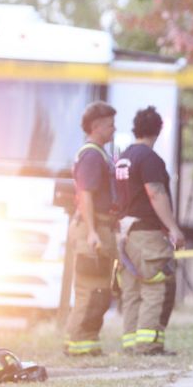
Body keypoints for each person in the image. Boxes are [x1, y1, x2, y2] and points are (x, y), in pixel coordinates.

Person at [114, 106, 186, 356]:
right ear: (158, 130)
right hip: (147, 233)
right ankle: (148, 344)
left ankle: (131, 343)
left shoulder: (123, 157)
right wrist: (173, 228)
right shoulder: (149, 158)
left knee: (132, 290)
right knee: (155, 287)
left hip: (125, 234)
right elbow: (155, 193)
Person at [65, 101, 119, 356]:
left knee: (99, 288)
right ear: (96, 126)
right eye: (110, 124)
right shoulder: (91, 155)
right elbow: (85, 194)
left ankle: (88, 341)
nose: (114, 129)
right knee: (89, 288)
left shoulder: (98, 153)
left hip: (100, 225)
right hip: (92, 225)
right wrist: (92, 231)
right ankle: (77, 343)